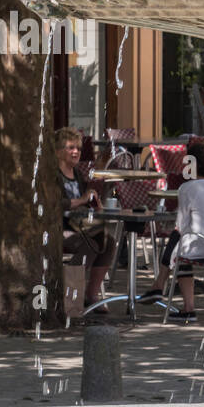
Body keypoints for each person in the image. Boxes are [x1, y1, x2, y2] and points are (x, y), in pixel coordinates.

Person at [140, 141, 204, 323]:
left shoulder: (187, 188)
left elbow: (181, 226)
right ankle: (160, 287)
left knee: (179, 242)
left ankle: (172, 295)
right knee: (180, 243)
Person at [55, 126, 116, 314]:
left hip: (79, 225)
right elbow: (55, 204)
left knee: (109, 242)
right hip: (58, 227)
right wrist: (82, 200)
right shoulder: (52, 175)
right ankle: (71, 297)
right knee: (90, 244)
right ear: (58, 151)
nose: (76, 152)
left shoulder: (77, 174)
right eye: (71, 148)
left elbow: (82, 203)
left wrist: (92, 201)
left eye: (79, 148)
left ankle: (91, 294)